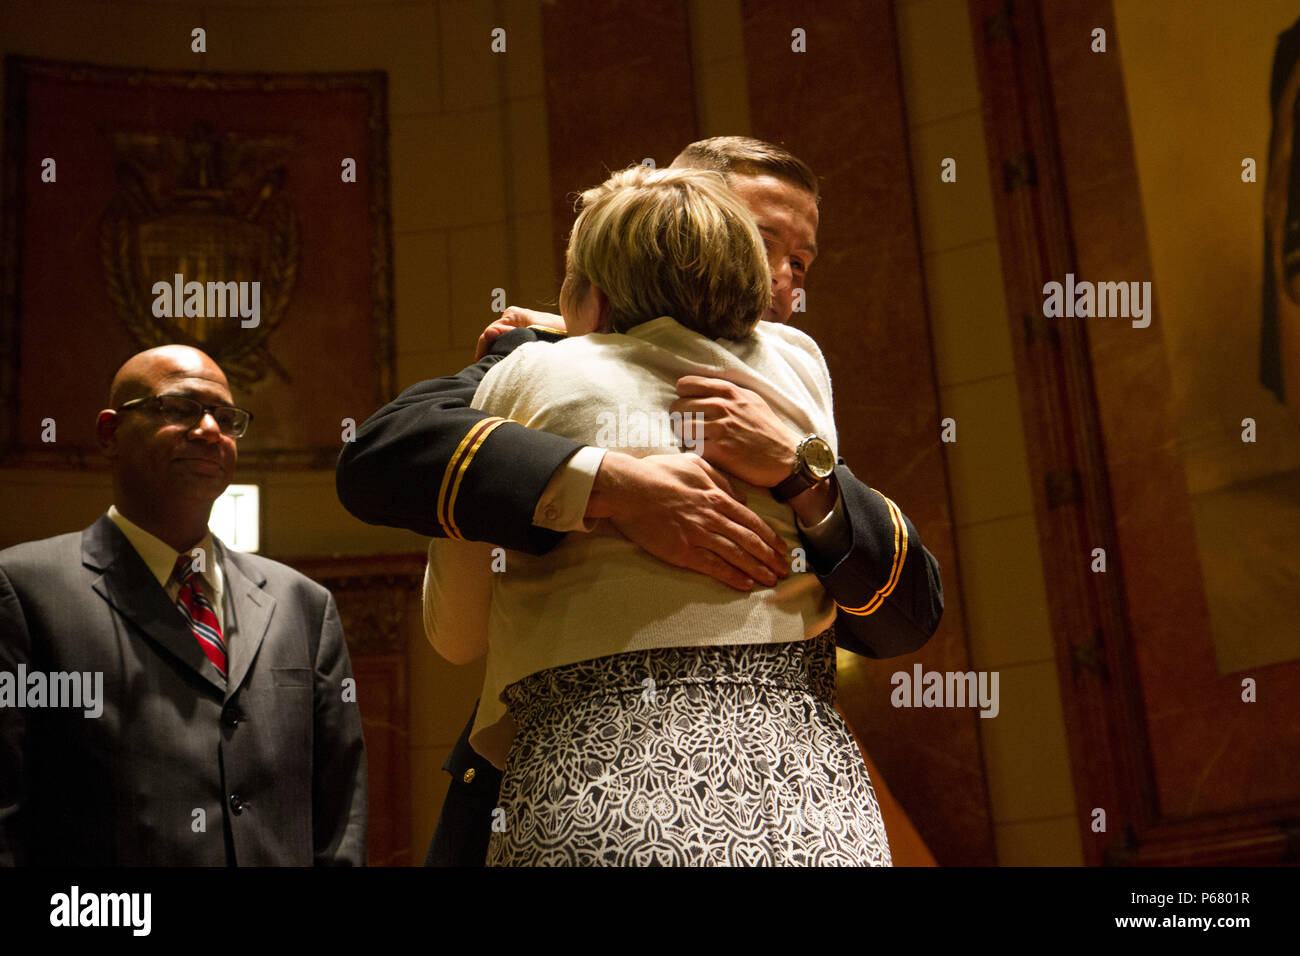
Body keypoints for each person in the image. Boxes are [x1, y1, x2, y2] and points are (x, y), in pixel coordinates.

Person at [336, 136, 942, 865]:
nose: (780, 280)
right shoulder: (793, 368)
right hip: (793, 795)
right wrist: (611, 485)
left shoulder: (772, 383)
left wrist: (800, 472)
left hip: (596, 783)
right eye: (757, 242)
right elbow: (385, 453)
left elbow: (906, 615)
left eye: (801, 263)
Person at [0, 345, 368, 866]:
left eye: (224, 416)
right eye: (178, 409)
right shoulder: (24, 589)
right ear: (109, 433)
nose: (209, 430)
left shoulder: (303, 604)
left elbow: (341, 816)